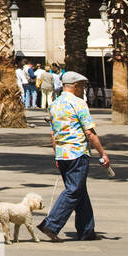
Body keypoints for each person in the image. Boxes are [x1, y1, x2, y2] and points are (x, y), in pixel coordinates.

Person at [38, 71, 109, 242]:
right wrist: (103, 153)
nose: (83, 89)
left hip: (63, 153)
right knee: (74, 190)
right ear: (76, 86)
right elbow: (89, 132)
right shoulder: (78, 103)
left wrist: (57, 154)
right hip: (77, 152)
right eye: (83, 86)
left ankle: (86, 230)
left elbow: (53, 134)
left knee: (80, 191)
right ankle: (51, 224)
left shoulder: (54, 104)